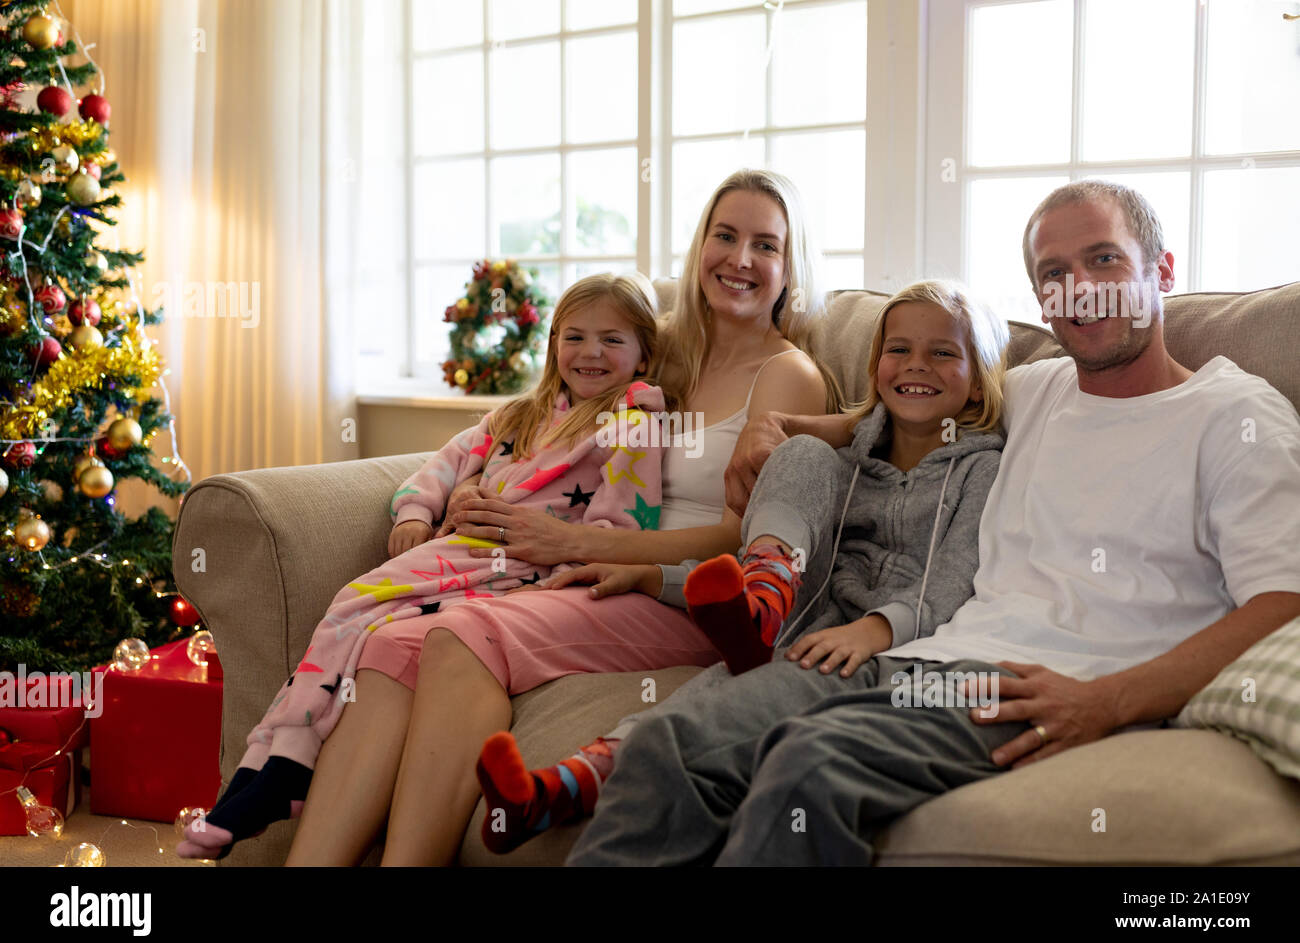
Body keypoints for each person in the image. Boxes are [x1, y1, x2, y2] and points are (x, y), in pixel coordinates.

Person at [567, 179, 1300, 866]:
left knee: (811, 767)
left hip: (1040, 683)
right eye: (1054, 272)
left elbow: (1283, 600)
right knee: (670, 742)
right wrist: (780, 428)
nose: (1078, 287)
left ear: (1163, 271)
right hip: (927, 656)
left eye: (1103, 259)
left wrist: (1109, 701)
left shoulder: (1236, 416)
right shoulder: (1037, 388)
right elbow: (913, 399)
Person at [277, 169, 840, 866]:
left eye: (766, 245)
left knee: (457, 635)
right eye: (725, 236)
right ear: (700, 247)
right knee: (391, 644)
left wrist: (572, 540)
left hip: (683, 590)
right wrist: (481, 486)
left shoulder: (786, 374)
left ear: (790, 268)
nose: (741, 259)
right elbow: (543, 422)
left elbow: (745, 537)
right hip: (582, 558)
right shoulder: (660, 347)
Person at [474, 278, 1009, 854]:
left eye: (943, 353)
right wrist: (654, 578)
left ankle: (566, 786)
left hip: (862, 642)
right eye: (898, 349)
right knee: (801, 454)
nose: (916, 364)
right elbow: (766, 551)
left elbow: (951, 580)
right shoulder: (844, 460)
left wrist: (874, 629)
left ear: (979, 384)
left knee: (697, 712)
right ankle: (763, 596)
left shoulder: (981, 471)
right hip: (794, 611)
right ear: (877, 365)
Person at [176, 271, 672, 860]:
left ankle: (278, 766)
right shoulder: (519, 415)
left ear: (644, 354)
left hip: (531, 569)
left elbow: (623, 526)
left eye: (612, 340)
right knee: (362, 618)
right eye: (576, 337)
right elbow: (441, 465)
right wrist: (415, 512)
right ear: (553, 345)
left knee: (355, 604)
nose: (591, 353)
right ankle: (277, 761)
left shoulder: (635, 415)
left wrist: (560, 540)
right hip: (468, 554)